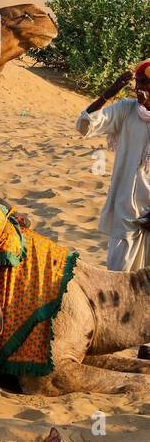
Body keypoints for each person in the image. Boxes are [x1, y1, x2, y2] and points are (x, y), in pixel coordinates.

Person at [75, 60, 150, 358]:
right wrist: (109, 93)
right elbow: (85, 124)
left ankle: (145, 342)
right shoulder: (126, 110)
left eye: (145, 85)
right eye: (138, 85)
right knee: (117, 275)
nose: (139, 91)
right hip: (124, 212)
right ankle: (112, 339)